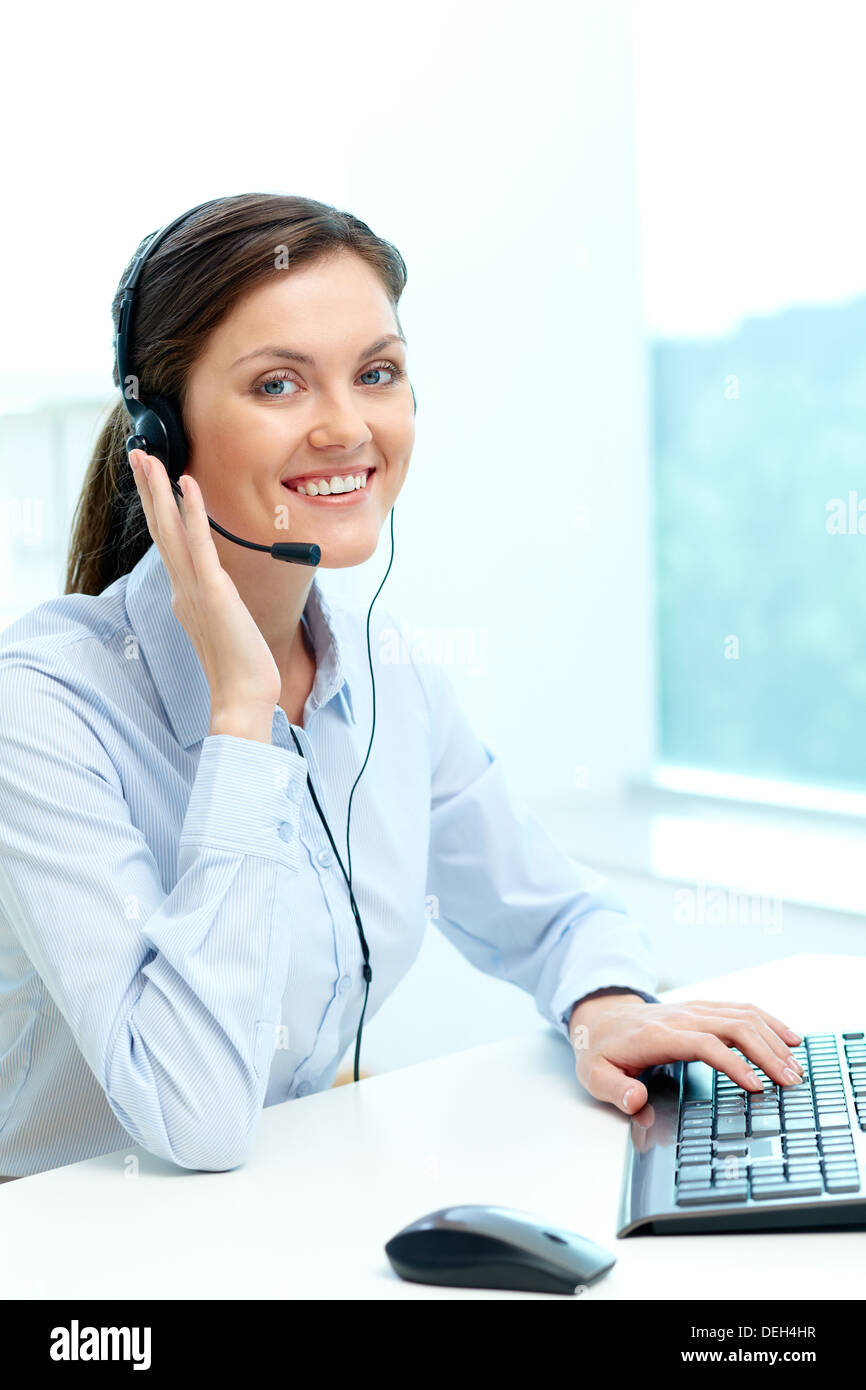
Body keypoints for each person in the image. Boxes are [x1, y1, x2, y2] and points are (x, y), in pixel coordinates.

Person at [0, 193, 805, 1181]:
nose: (346, 427)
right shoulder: (46, 708)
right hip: (65, 1255)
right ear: (161, 436)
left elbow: (555, 915)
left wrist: (606, 1011)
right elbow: (194, 1118)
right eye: (278, 384)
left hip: (272, 1216)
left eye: (375, 373)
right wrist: (239, 718)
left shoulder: (385, 677)